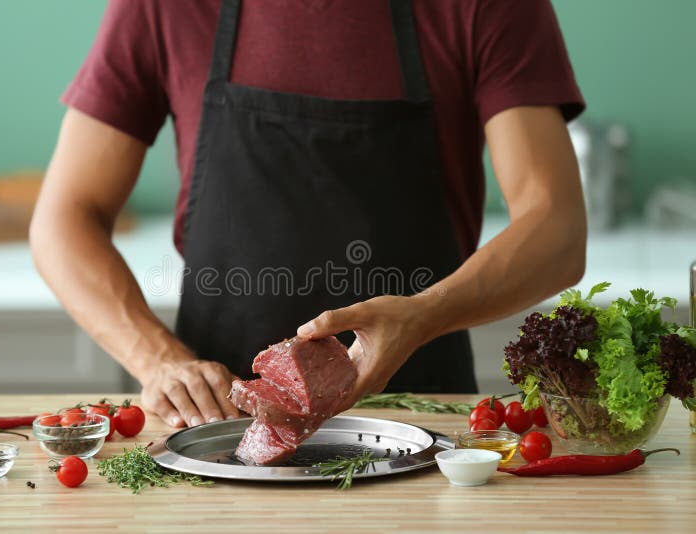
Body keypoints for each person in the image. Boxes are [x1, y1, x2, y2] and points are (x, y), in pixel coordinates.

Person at [30, 0, 587, 428]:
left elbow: (557, 227)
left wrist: (424, 314)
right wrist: (158, 362)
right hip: (218, 432)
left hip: (421, 425)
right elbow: (64, 219)